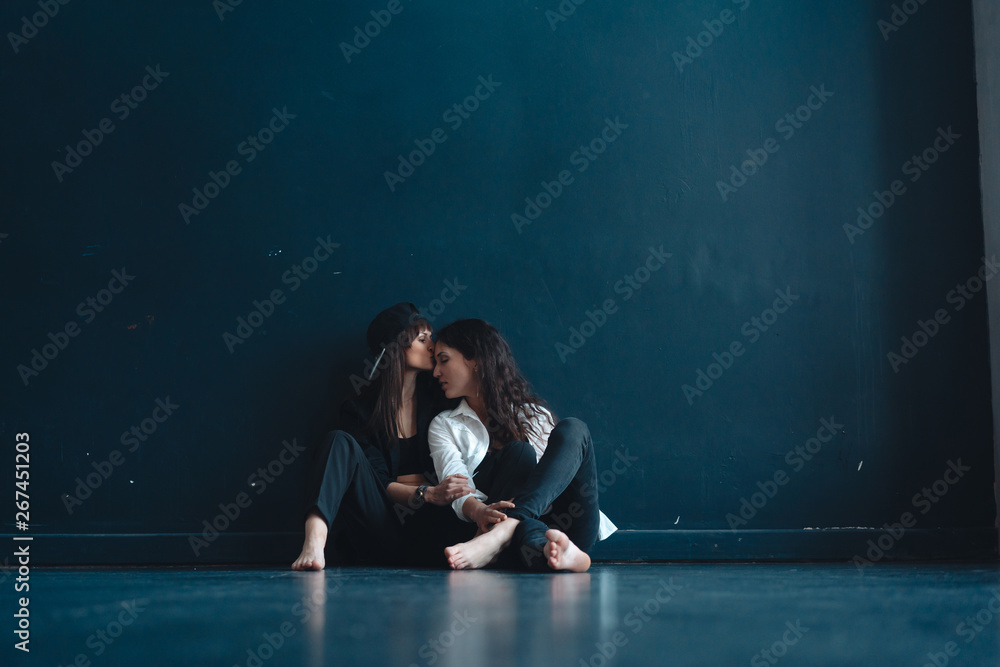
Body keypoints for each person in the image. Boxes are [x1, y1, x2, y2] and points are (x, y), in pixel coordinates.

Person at [291, 303, 476, 571]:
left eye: (430, 338)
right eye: (422, 339)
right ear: (395, 348)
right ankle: (315, 542)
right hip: (383, 527)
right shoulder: (360, 409)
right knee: (338, 441)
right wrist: (428, 493)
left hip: (439, 531)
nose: (433, 347)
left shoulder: (441, 398)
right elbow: (379, 479)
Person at [427, 318, 617, 572]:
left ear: (475, 359)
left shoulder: (534, 415)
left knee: (574, 428)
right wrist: (481, 513)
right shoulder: (445, 425)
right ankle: (567, 556)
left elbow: (556, 477)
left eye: (444, 359)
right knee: (521, 466)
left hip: (568, 518)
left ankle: (507, 531)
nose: (435, 372)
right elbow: (456, 486)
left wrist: (516, 515)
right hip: (520, 534)